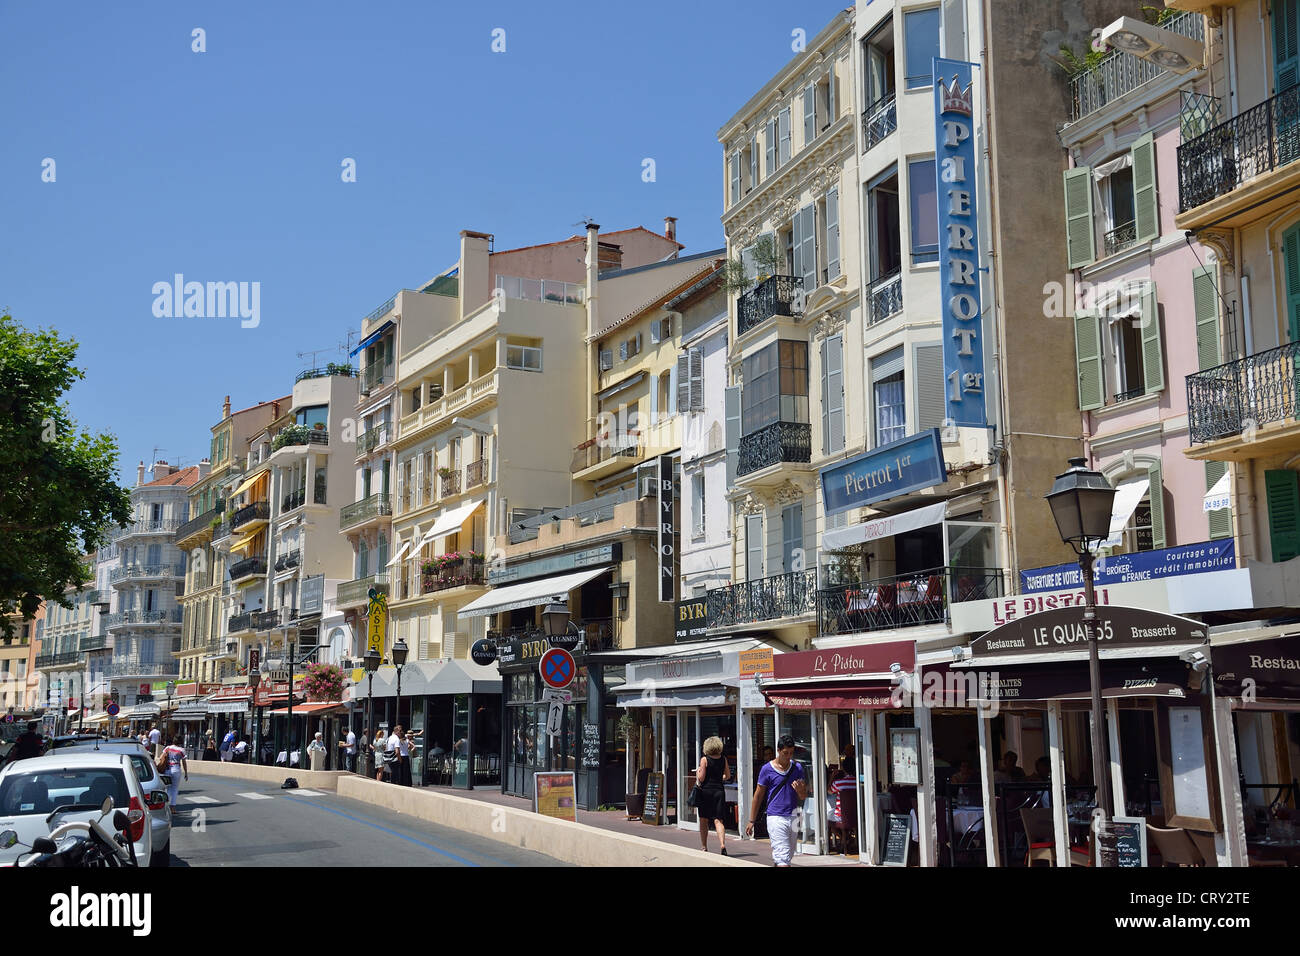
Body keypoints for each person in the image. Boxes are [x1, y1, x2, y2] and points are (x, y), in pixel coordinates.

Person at [747, 734, 808, 867]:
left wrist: (800, 790)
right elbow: (758, 796)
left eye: (791, 753)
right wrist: (752, 820)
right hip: (775, 817)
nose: (788, 756)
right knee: (782, 858)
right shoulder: (767, 769)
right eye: (785, 753)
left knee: (788, 855)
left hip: (793, 817)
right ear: (778, 750)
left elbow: (803, 796)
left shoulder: (797, 768)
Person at [695, 736, 731, 855]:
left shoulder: (704, 760)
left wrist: (698, 772)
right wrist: (719, 778)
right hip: (719, 791)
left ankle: (704, 846)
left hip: (706, 792)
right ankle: (722, 845)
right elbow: (728, 776)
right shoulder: (723, 759)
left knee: (703, 819)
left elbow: (701, 778)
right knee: (718, 820)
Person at [162, 736, 187, 807]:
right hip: (176, 769)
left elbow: (162, 757)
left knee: (168, 788)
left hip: (167, 769)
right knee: (175, 788)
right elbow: (184, 762)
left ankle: (165, 804)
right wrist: (186, 773)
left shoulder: (168, 748)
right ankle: (172, 806)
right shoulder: (181, 750)